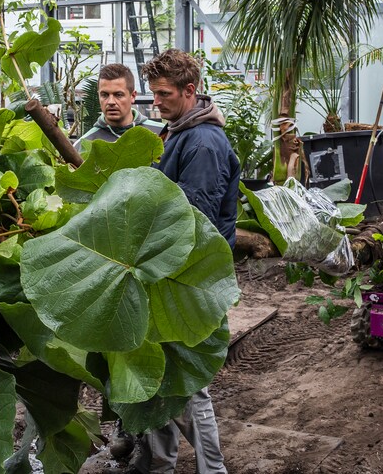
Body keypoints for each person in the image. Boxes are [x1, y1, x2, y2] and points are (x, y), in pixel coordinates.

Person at [136, 48, 238, 474]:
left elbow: (193, 220)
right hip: (170, 275)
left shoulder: (202, 143)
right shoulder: (179, 130)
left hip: (189, 277)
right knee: (160, 378)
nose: (155, 102)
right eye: (153, 93)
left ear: (189, 91)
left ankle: (212, 470)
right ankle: (160, 465)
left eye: (162, 94)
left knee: (187, 381)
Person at [74, 63, 164, 148]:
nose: (111, 102)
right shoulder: (84, 145)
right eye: (104, 95)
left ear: (132, 96)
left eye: (118, 95)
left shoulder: (161, 134)